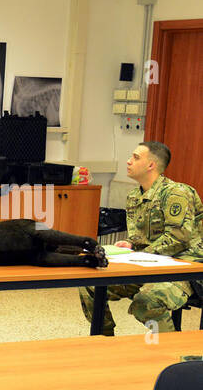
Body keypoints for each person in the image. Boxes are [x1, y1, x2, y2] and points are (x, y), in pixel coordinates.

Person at [79, 141, 203, 335]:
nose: (128, 161)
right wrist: (130, 244)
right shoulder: (135, 196)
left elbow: (179, 238)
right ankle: (105, 341)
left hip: (186, 267)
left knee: (146, 302)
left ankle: (172, 355)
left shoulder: (176, 193)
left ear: (151, 165)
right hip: (150, 264)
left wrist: (141, 253)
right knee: (90, 286)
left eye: (136, 157)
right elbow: (141, 238)